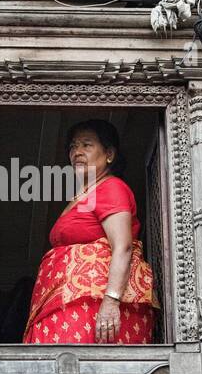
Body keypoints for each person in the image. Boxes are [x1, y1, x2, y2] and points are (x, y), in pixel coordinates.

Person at [22, 120, 159, 344]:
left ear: (109, 154)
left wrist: (111, 301)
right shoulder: (82, 195)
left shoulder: (111, 188)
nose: (77, 152)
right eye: (73, 147)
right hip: (66, 303)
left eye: (87, 145)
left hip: (92, 306)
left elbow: (123, 246)